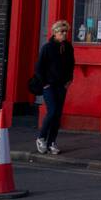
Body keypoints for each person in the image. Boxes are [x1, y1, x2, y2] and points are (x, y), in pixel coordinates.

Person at [35, 20, 75, 154]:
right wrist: (45, 83)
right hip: (49, 85)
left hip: (62, 85)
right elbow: (39, 67)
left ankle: (52, 142)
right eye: (61, 32)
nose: (64, 34)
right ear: (55, 33)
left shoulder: (68, 47)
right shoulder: (47, 48)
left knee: (57, 115)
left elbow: (71, 64)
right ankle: (41, 138)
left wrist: (69, 79)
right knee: (51, 111)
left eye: (66, 32)